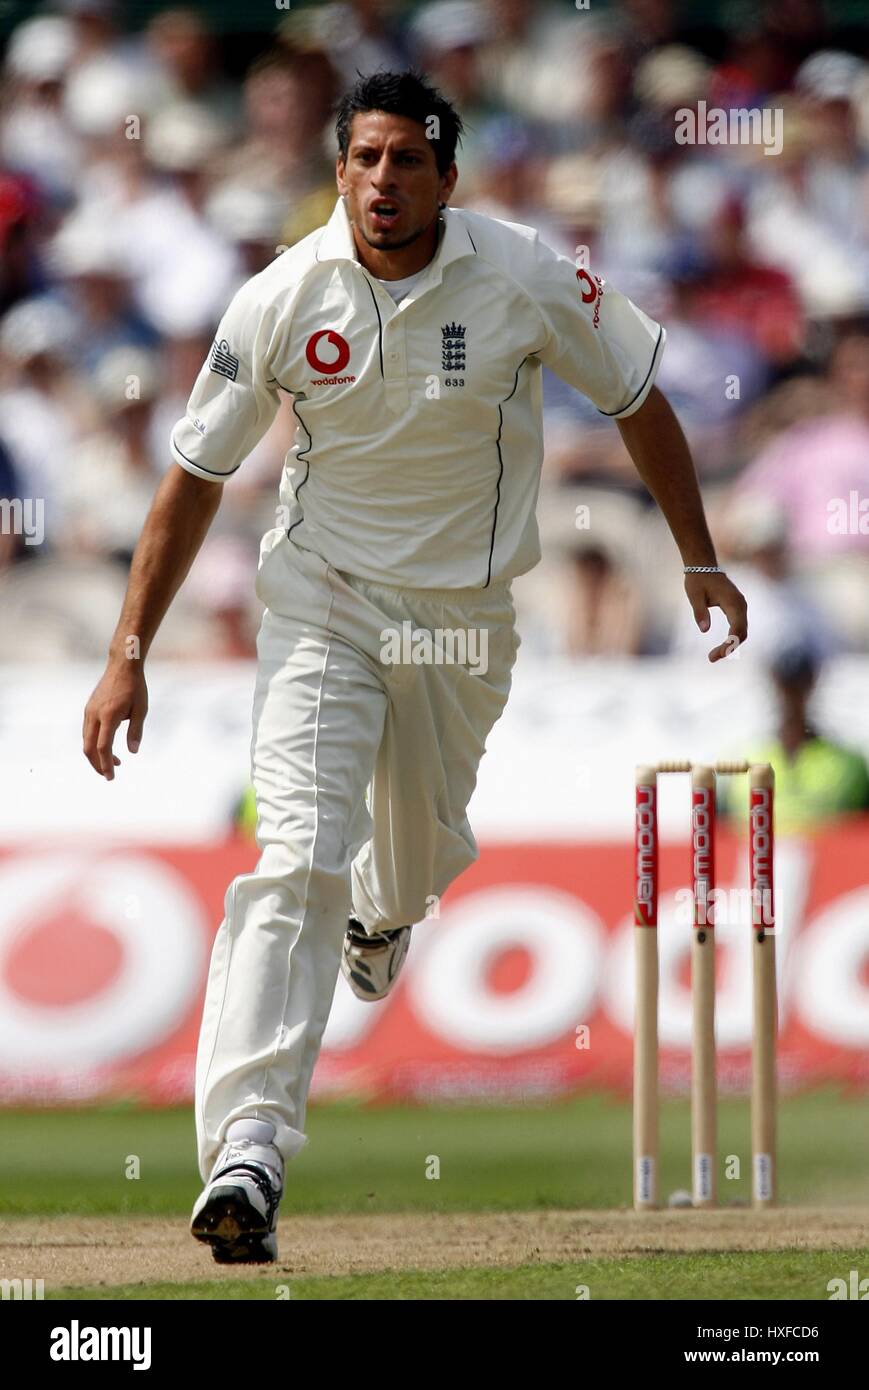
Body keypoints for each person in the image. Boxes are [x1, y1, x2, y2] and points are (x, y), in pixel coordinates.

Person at [82, 69, 747, 1263]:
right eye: (363, 160)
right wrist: (126, 655)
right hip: (320, 601)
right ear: (337, 170)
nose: (382, 182)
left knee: (414, 853)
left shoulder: (525, 272)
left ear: (447, 175)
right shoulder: (282, 296)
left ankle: (384, 919)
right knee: (293, 856)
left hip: (461, 618)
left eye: (406, 162)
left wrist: (695, 558)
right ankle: (249, 1146)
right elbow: (191, 477)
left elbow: (638, 394)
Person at [721, 646, 869, 834]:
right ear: (773, 681)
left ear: (813, 682)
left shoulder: (849, 764)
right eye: (786, 682)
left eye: (800, 681)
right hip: (755, 861)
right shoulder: (742, 764)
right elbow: (722, 834)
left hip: (830, 861)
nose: (792, 693)